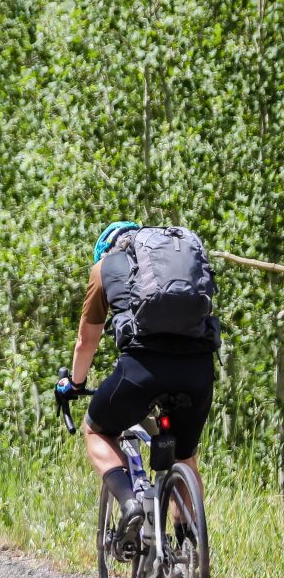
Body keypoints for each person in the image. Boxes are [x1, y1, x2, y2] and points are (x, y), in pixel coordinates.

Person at [58, 220, 220, 548]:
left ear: (105, 250)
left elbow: (86, 343)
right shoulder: (180, 264)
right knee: (184, 455)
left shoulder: (104, 268)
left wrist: (74, 384)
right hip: (198, 371)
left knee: (96, 430)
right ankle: (189, 551)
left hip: (142, 371)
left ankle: (130, 503)